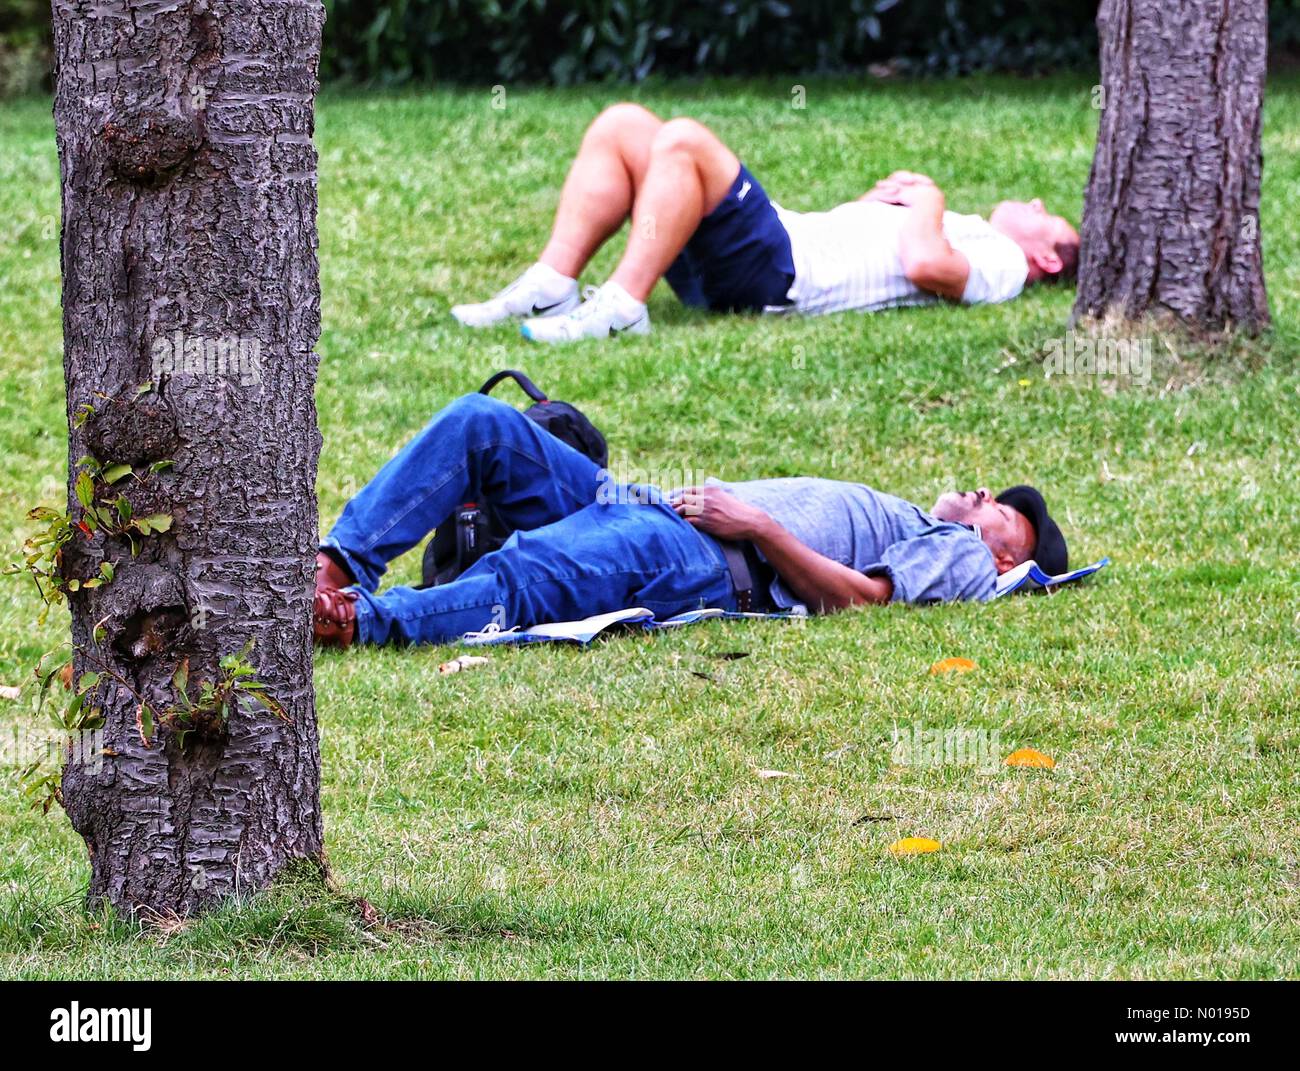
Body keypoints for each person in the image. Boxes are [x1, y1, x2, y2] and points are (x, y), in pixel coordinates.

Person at [312, 394, 1069, 648]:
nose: (981, 494)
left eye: (1001, 510)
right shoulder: (909, 515)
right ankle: (338, 564)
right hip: (644, 503)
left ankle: (357, 620)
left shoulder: (964, 560)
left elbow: (863, 600)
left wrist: (758, 526)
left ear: (1009, 562)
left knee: (535, 572)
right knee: (481, 425)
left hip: (704, 557)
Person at [449, 103, 1079, 343]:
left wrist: (929, 200)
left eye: (1049, 222)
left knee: (685, 140)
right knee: (623, 125)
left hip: (781, 274)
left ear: (1046, 259)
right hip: (777, 250)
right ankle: (552, 282)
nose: (1039, 208)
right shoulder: (981, 236)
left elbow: (925, 264)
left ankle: (622, 306)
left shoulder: (1004, 267)